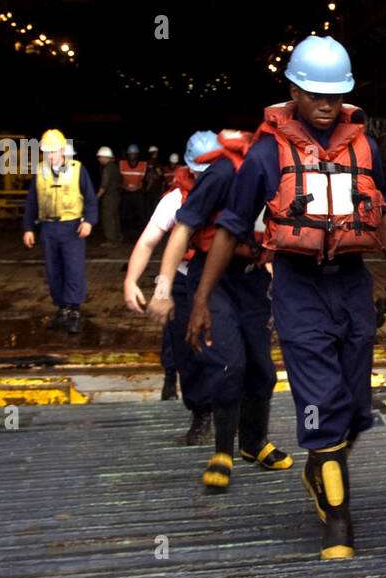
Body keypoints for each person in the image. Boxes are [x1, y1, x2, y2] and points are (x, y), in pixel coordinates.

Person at [185, 35, 386, 559]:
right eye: (314, 95)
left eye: (335, 95)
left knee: (354, 409)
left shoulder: (366, 147)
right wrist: (200, 297)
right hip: (296, 285)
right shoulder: (266, 154)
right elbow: (231, 228)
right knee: (320, 401)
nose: (326, 106)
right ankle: (338, 521)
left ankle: (320, 465)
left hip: (352, 283)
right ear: (293, 91)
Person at [148, 128, 293, 493]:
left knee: (261, 365)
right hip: (212, 281)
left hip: (253, 279)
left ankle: (254, 443)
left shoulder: (298, 174)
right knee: (230, 361)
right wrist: (164, 289)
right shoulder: (225, 173)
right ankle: (222, 451)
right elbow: (182, 230)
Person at [124, 130, 218, 444]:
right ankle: (200, 414)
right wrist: (130, 281)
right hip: (183, 279)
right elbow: (148, 241)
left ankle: (236, 415)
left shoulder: (236, 193)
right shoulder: (175, 199)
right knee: (185, 349)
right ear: (189, 170)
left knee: (226, 348)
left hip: (223, 281)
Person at [22, 129, 98, 334]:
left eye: (54, 151)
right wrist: (28, 228)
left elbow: (90, 199)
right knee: (54, 271)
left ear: (63, 150)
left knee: (73, 269)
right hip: (48, 228)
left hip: (71, 227)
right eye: (47, 152)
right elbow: (31, 202)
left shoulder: (78, 169)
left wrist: (89, 222)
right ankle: (62, 309)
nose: (50, 156)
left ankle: (74, 311)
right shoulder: (40, 172)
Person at [95, 145, 122, 245]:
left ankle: (111, 240)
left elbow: (103, 186)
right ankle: (118, 237)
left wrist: (96, 197)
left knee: (108, 219)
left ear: (106, 157)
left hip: (109, 198)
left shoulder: (107, 169)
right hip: (116, 196)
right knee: (115, 218)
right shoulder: (115, 167)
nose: (99, 159)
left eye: (100, 157)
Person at [119, 145, 147, 237]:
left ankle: (142, 233)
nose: (132, 156)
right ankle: (125, 233)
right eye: (130, 154)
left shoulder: (143, 165)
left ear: (137, 155)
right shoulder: (122, 164)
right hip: (126, 192)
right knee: (124, 214)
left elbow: (146, 179)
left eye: (134, 154)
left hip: (137, 192)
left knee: (141, 214)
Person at [144, 145, 165, 219]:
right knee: (155, 206)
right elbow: (160, 174)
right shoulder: (156, 163)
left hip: (147, 188)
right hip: (155, 187)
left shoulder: (146, 163)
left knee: (148, 206)